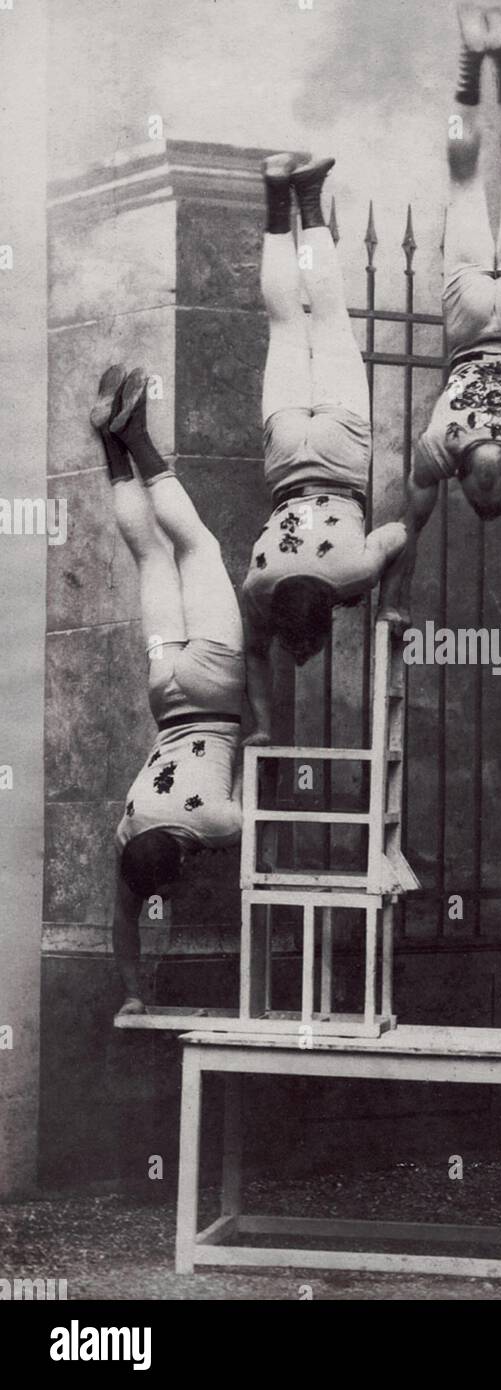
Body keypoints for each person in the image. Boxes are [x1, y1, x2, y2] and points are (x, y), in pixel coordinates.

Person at [380, 4, 501, 626]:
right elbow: (411, 521)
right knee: (464, 176)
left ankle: (498, 60)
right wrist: (393, 599)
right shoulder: (439, 449)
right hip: (470, 325)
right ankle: (476, 61)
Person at [90, 366, 247, 1015]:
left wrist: (136, 997)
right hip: (167, 687)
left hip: (214, 684)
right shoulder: (126, 832)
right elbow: (120, 924)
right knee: (152, 558)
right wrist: (129, 990)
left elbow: (257, 780)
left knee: (196, 548)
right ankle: (112, 447)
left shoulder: (216, 824)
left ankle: (138, 436)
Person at [243, 151, 407, 739]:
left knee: (329, 315)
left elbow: (398, 534)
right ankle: (275, 200)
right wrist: (259, 725)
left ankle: (309, 197)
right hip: (287, 457)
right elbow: (255, 649)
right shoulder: (259, 585)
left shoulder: (350, 575)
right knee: (286, 323)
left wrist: (385, 597)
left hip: (338, 458)